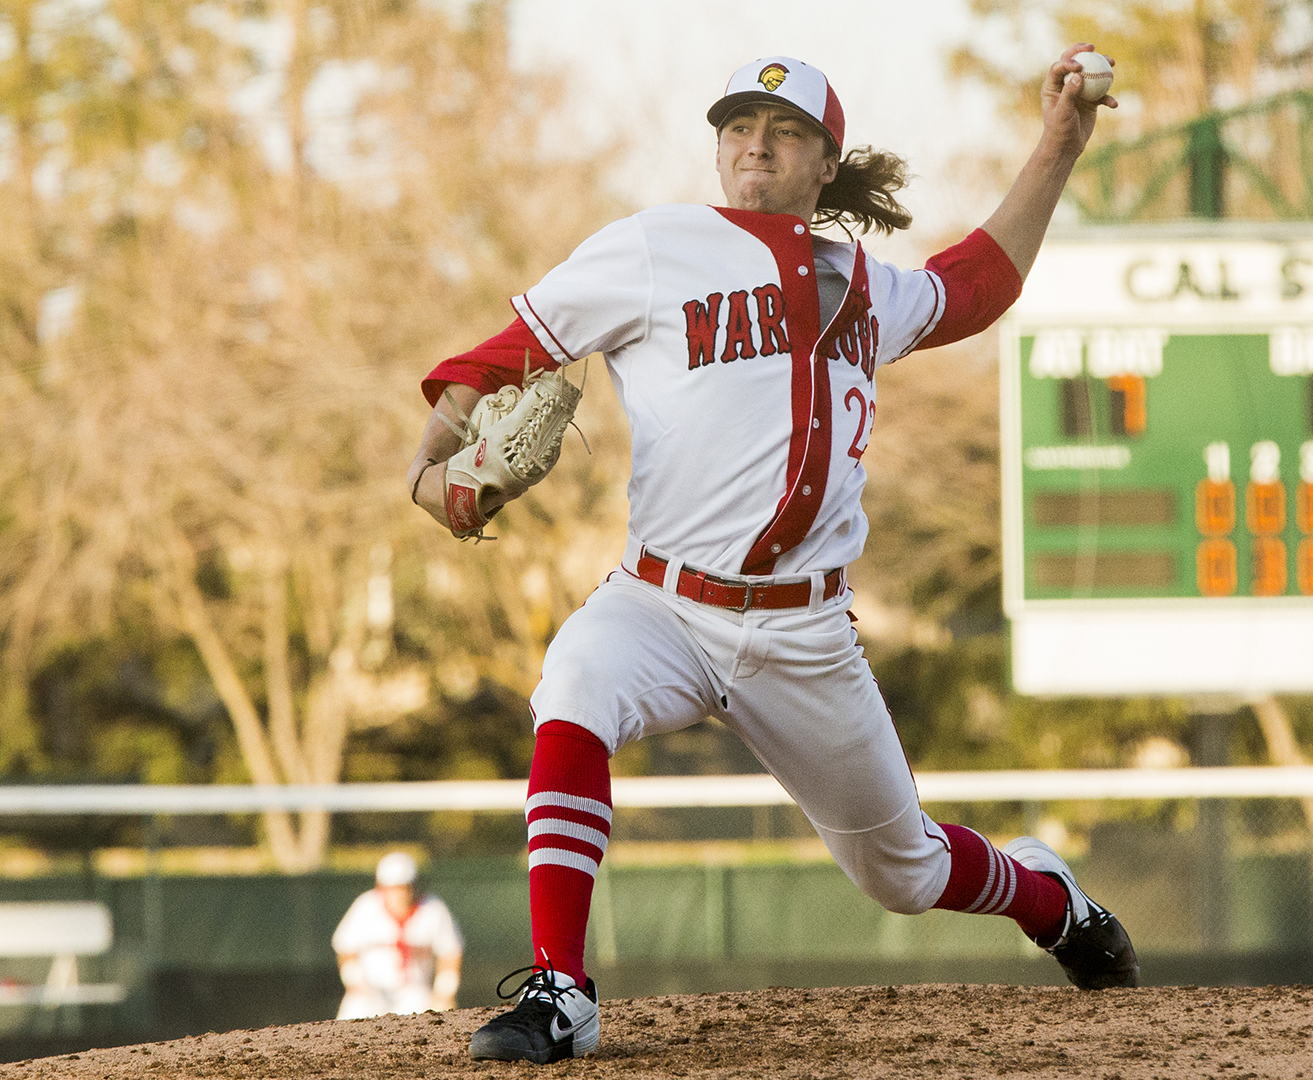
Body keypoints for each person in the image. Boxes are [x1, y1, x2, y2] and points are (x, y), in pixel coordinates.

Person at [404, 48, 1134, 1065]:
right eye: (739, 127)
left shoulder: (866, 287)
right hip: (657, 604)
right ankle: (561, 992)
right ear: (716, 151)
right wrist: (431, 460)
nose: (756, 143)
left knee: (903, 873)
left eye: (785, 131)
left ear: (824, 164)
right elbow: (507, 349)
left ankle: (1047, 896)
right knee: (572, 685)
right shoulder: (655, 247)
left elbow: (977, 283)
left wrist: (1059, 143)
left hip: (802, 629)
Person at [331, 851, 464, 1019]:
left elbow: (451, 954)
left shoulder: (434, 909)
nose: (400, 893)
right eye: (393, 888)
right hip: (370, 993)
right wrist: (355, 982)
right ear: (381, 887)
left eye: (405, 886)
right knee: (345, 1031)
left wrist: (444, 993)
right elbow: (345, 947)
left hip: (416, 993)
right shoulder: (366, 906)